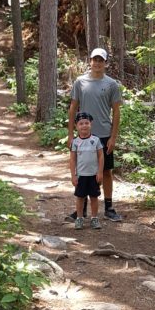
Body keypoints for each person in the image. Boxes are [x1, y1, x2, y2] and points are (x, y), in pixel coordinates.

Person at [67, 47, 123, 222]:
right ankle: (81, 209)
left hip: (104, 134)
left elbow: (116, 112)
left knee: (106, 171)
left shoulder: (111, 84)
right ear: (90, 61)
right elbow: (73, 108)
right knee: (83, 171)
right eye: (95, 59)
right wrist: (70, 134)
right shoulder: (80, 82)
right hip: (83, 135)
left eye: (101, 60)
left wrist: (113, 137)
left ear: (105, 63)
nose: (97, 63)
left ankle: (109, 207)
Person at [69, 112, 104, 229]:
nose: (84, 126)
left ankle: (94, 218)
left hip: (93, 175)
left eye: (86, 123)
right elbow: (73, 159)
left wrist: (100, 172)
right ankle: (79, 218)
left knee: (94, 197)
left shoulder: (96, 140)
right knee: (80, 197)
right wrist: (73, 175)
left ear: (91, 124)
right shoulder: (75, 142)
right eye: (81, 123)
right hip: (81, 175)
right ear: (76, 126)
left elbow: (100, 156)